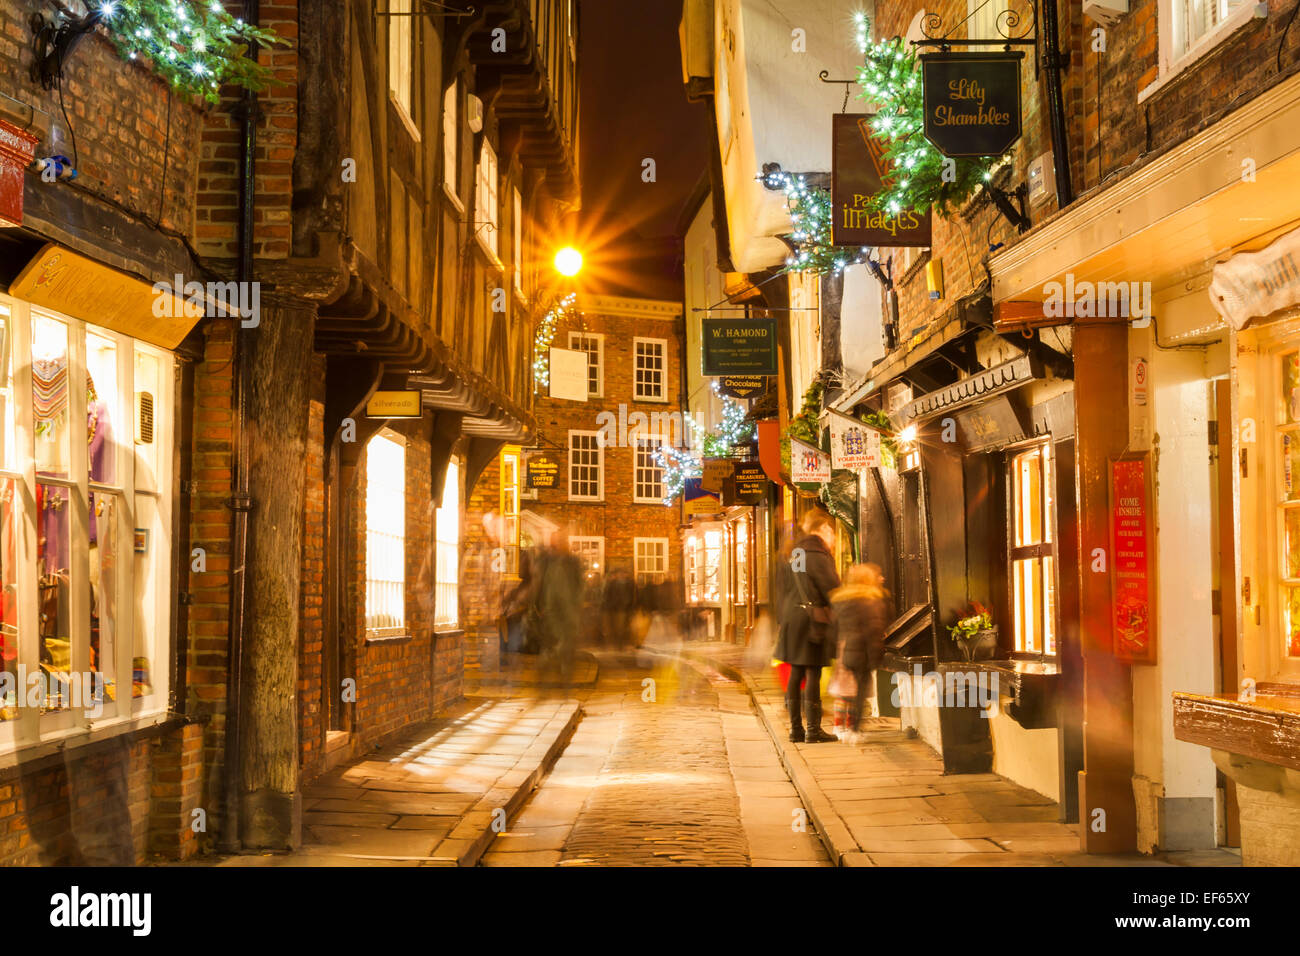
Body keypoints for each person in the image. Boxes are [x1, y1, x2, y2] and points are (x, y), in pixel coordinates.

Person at [774, 509, 841, 743]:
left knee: (796, 671)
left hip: (792, 618)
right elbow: (832, 589)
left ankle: (795, 730)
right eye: (831, 532)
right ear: (822, 529)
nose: (832, 537)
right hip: (812, 619)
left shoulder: (793, 554)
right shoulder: (818, 554)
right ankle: (813, 730)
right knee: (813, 670)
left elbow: (781, 590)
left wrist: (782, 619)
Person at [830, 562, 890, 741]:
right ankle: (854, 730)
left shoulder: (841, 599)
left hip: (845, 651)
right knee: (860, 692)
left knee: (844, 692)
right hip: (862, 652)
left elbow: (833, 627)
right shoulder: (871, 600)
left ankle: (839, 726)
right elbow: (874, 630)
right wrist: (876, 657)